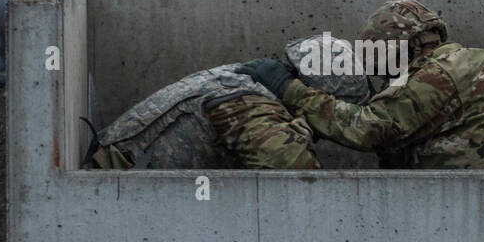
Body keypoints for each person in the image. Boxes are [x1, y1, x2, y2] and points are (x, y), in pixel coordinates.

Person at [236, 0, 484, 170]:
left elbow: (370, 129)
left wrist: (287, 87)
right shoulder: (453, 67)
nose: (382, 73)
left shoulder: (444, 73)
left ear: (402, 47)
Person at [87, 34, 368, 170]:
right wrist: (306, 129)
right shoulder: (249, 104)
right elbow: (297, 184)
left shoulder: (247, 80)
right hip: (112, 193)